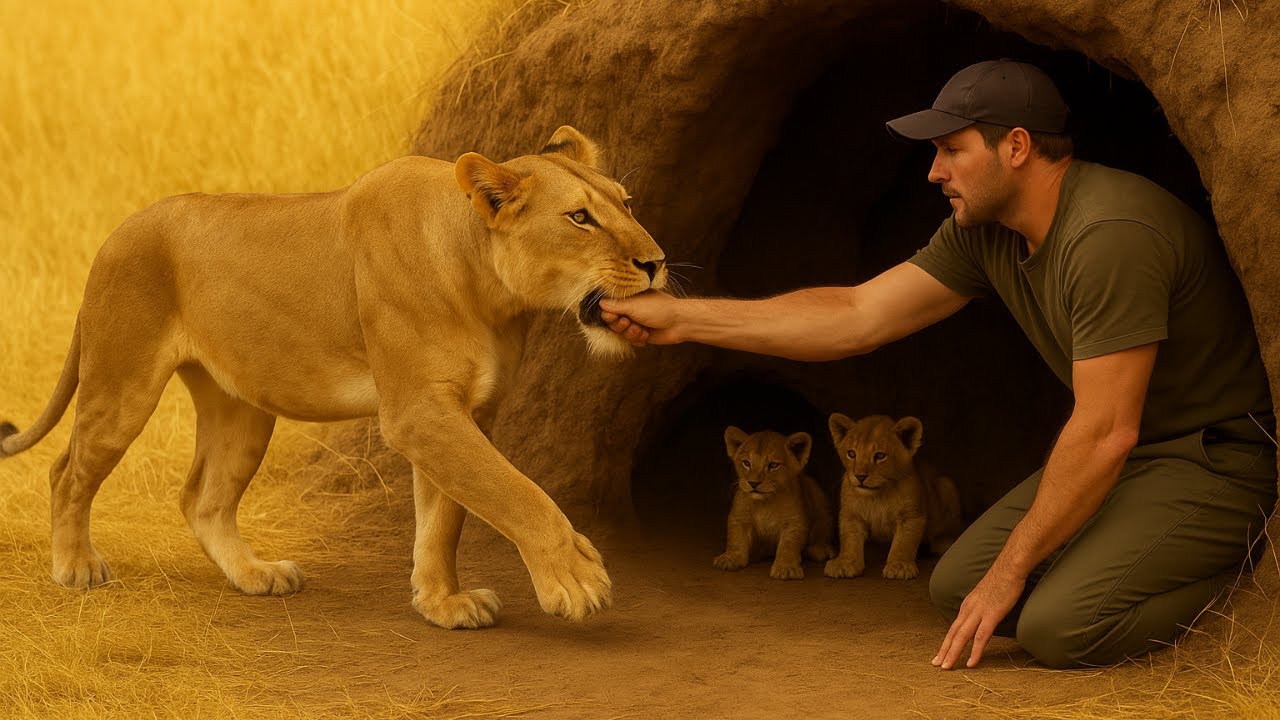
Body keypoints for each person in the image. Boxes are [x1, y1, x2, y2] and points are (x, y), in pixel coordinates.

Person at [598, 60, 1278, 670]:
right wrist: (681, 318)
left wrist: (1015, 571)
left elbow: (1105, 432)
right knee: (954, 585)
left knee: (1059, 626)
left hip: (1212, 459)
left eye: (952, 150)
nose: (934, 171)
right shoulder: (983, 234)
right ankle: (1122, 559)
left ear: (1015, 147)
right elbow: (857, 316)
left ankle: (1236, 580)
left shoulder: (1108, 237)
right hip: (1134, 459)